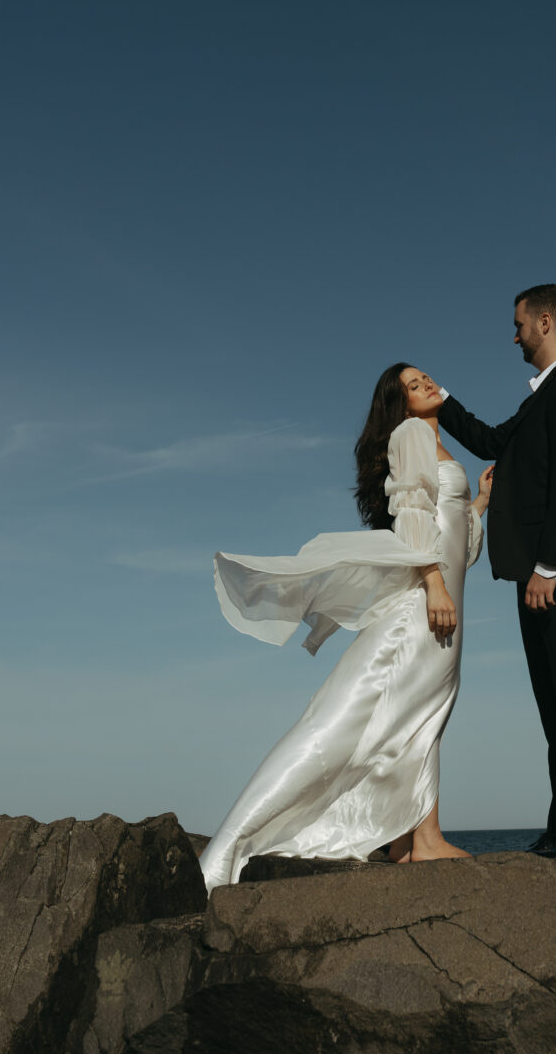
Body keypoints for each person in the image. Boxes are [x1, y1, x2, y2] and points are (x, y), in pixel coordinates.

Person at [198, 364, 491, 893]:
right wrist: (434, 585)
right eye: (411, 384)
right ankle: (417, 842)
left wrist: (477, 507)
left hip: (437, 599)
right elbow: (411, 521)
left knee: (418, 714)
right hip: (421, 605)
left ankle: (409, 840)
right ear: (398, 404)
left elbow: (453, 542)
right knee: (341, 725)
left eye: (426, 376)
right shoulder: (409, 435)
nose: (425, 384)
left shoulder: (435, 444)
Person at [435, 283, 556, 868]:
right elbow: (493, 442)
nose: (512, 335)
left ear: (545, 322)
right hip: (536, 575)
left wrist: (548, 567)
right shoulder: (539, 398)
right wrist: (439, 401)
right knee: (552, 704)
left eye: (518, 324)